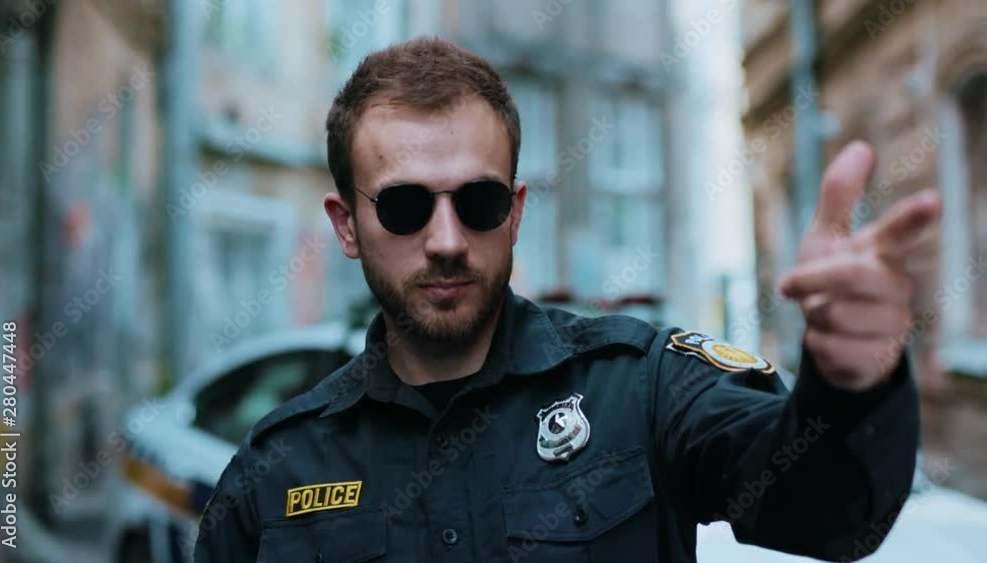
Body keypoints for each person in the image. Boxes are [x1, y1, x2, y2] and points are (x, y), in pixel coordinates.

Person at [195, 37, 941, 562]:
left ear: (516, 211)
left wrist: (853, 380)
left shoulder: (642, 386)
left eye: (480, 202)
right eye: (404, 206)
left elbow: (833, 513)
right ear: (346, 225)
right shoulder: (275, 469)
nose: (447, 240)